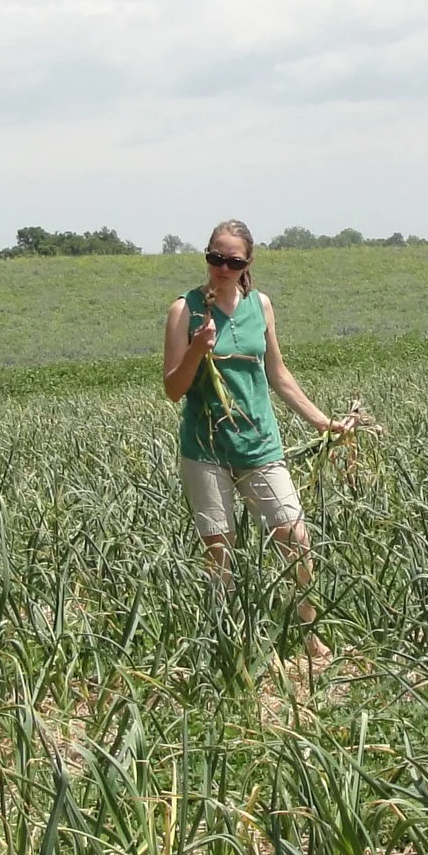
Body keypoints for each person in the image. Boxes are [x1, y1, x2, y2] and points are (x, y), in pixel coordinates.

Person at [162, 219, 345, 649]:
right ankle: (227, 643)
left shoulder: (260, 305)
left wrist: (321, 421)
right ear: (206, 257)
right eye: (215, 258)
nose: (222, 268)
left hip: (260, 445)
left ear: (248, 263)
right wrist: (196, 350)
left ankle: (308, 634)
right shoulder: (184, 311)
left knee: (295, 536)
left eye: (233, 261)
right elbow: (173, 388)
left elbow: (277, 373)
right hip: (205, 449)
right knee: (220, 551)